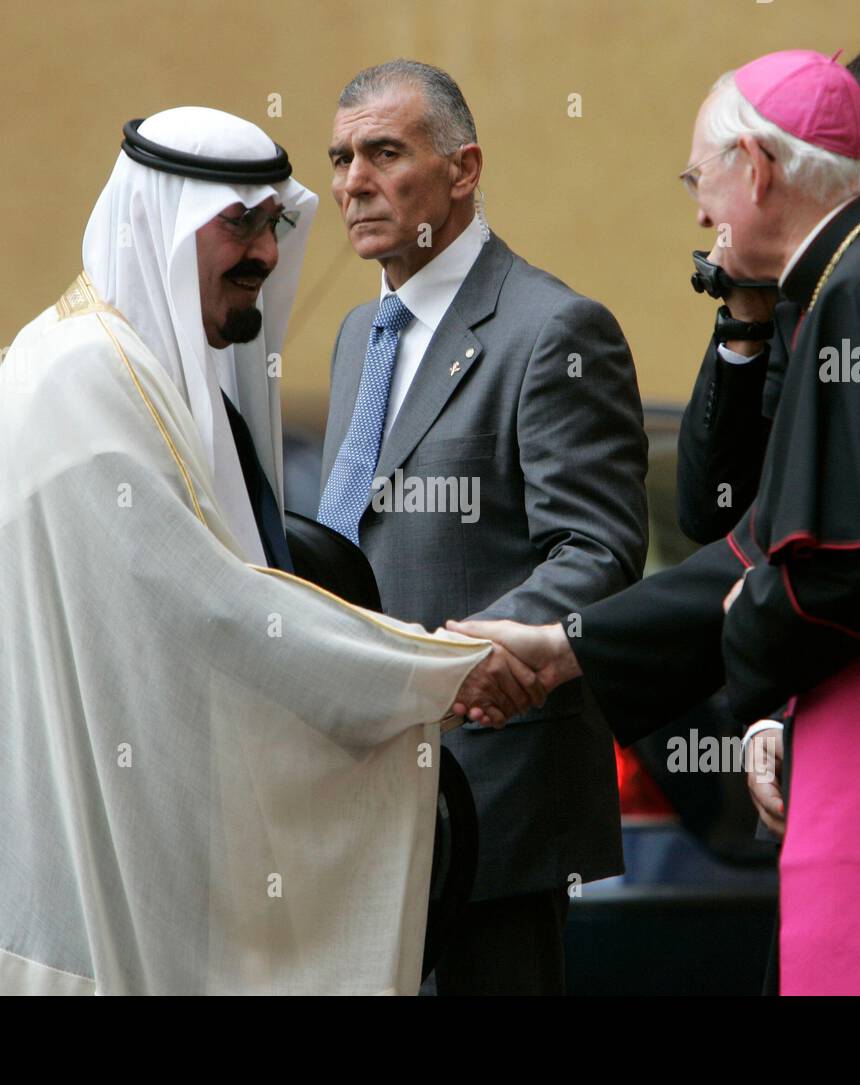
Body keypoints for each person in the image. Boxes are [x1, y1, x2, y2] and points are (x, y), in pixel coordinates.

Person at [451, 51, 860, 995]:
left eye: (701, 180)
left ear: (757, 164)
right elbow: (762, 537)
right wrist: (559, 645)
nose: (701, 213)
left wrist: (758, 611)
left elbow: (853, 571)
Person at [0, 108, 536, 996]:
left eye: (272, 222)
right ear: (160, 227)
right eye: (236, 224)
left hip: (154, 846)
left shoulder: (140, 369)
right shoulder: (82, 377)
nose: (267, 253)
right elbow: (218, 606)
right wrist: (440, 673)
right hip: (73, 890)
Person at [320, 60, 650, 995]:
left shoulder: (554, 329)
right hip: (363, 790)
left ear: (463, 169)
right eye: (342, 158)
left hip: (493, 794)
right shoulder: (357, 335)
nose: (353, 182)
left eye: (385, 152)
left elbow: (596, 551)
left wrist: (459, 655)